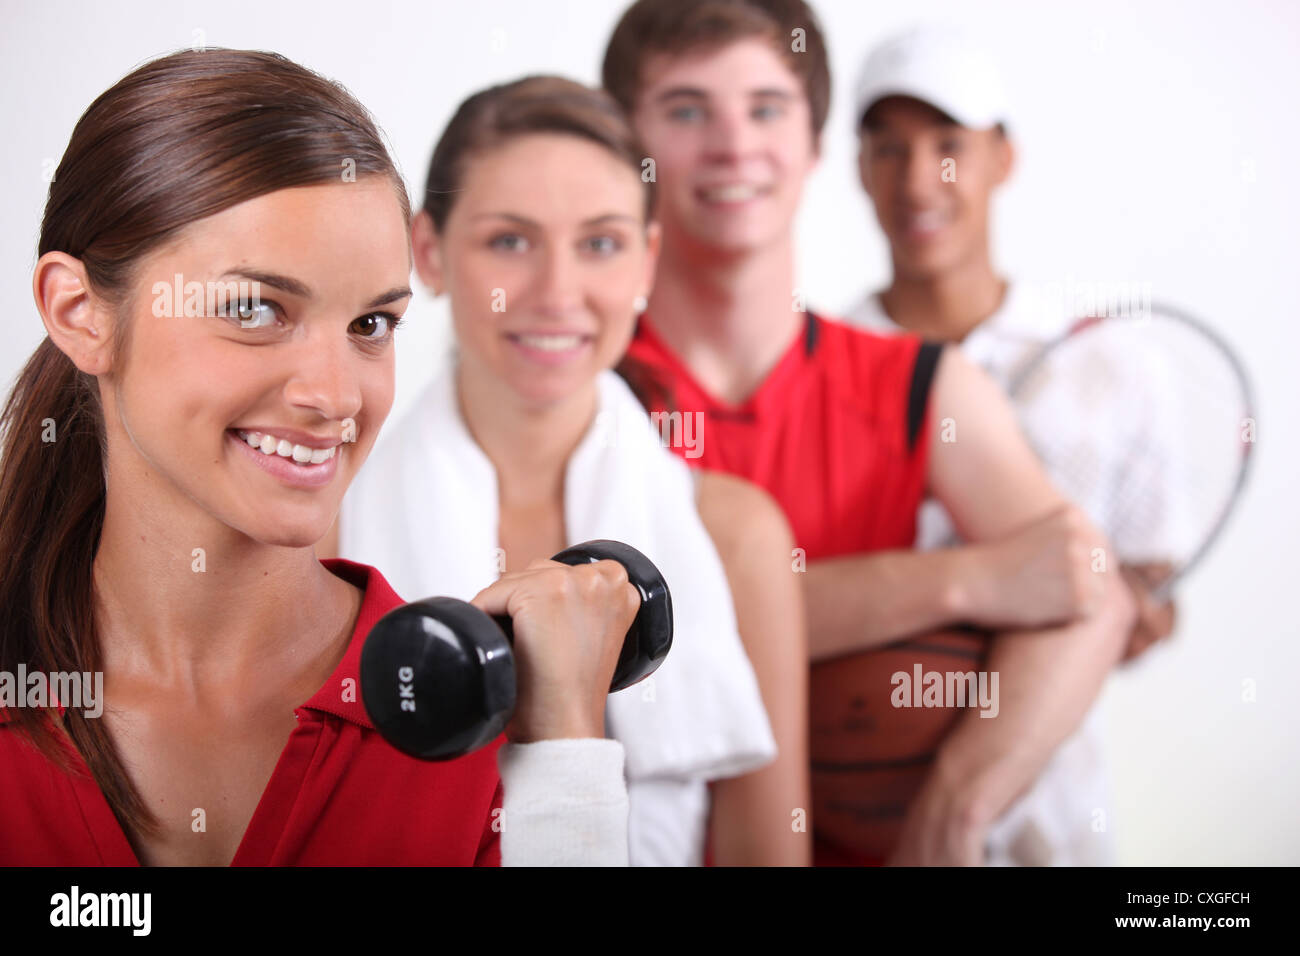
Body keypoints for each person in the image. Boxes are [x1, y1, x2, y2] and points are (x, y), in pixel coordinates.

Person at [0, 48, 639, 867]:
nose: (335, 396)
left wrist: (564, 765)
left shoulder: (475, 731)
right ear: (79, 311)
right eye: (255, 309)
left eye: (370, 325)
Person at [602, 0, 1136, 864]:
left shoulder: (921, 384)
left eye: (766, 108)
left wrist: (956, 809)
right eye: (689, 109)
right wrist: (965, 580)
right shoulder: (587, 395)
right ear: (629, 148)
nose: (734, 144)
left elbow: (1089, 590)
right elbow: (645, 632)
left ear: (814, 145)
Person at [318, 75, 811, 865]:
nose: (556, 293)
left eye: (601, 243)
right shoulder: (322, 525)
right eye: (510, 241)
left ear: (648, 261)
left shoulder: (737, 534)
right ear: (430, 253)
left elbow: (768, 855)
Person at [843, 25, 1177, 864]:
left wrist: (1133, 610)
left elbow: (1148, 580)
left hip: (1052, 821)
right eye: (890, 149)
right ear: (858, 168)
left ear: (1004, 159)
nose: (919, 180)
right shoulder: (821, 368)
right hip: (857, 807)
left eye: (949, 146)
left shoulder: (1109, 362)